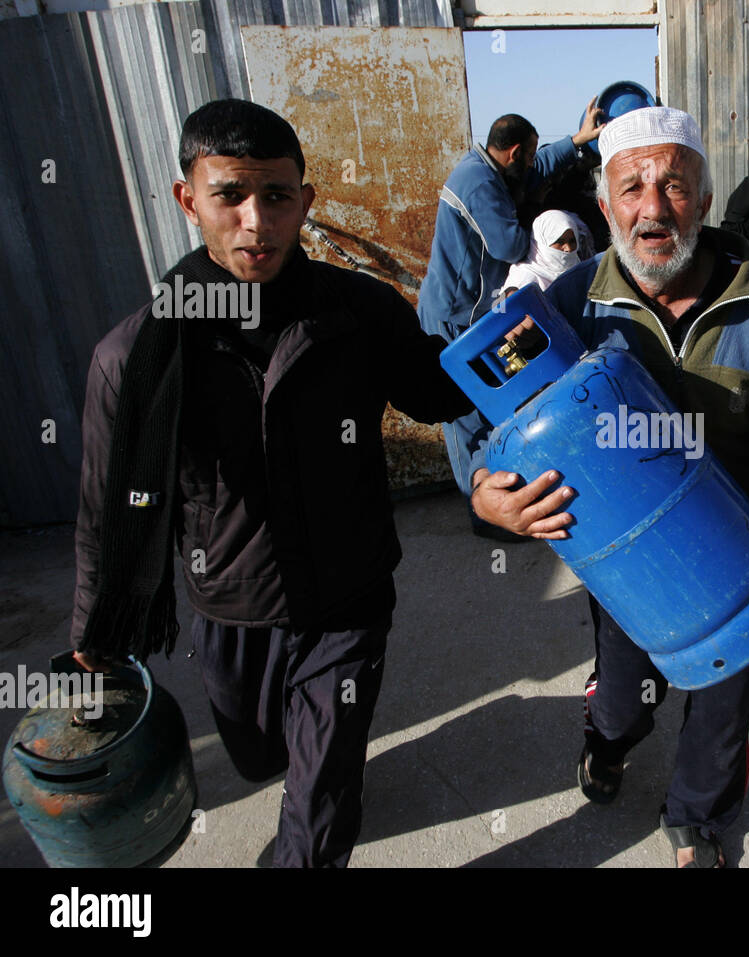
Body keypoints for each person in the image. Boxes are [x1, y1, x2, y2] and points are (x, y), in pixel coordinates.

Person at [68, 99, 473, 866]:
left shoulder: (359, 312)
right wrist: (94, 634)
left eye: (277, 196)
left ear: (305, 203)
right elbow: (106, 509)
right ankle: (318, 773)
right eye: (230, 195)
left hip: (348, 596)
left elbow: (439, 392)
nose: (256, 220)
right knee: (262, 757)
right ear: (191, 200)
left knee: (318, 801)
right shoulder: (137, 358)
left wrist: (517, 348)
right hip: (230, 605)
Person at [467, 107, 749, 867]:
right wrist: (484, 490)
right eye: (632, 187)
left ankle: (697, 819)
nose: (653, 207)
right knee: (627, 695)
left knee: (726, 697)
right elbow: (491, 420)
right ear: (605, 205)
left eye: (674, 185)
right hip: (623, 560)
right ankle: (608, 739)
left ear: (702, 199)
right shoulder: (568, 309)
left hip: (739, 547)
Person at [416, 106, 605, 536]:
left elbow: (536, 170)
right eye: (530, 156)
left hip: (473, 314)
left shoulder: (492, 170)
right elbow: (509, 244)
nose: (533, 167)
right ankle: (480, 511)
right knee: (464, 415)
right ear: (515, 152)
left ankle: (502, 494)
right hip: (452, 317)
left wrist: (576, 142)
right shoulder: (478, 182)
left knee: (489, 410)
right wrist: (539, 221)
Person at [500, 208, 593, 295]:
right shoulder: (523, 279)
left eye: (572, 241)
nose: (568, 248)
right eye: (559, 242)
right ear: (542, 243)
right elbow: (505, 309)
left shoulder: (578, 268)